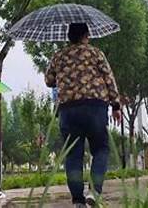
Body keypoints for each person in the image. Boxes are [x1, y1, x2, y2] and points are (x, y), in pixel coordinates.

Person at [45, 23, 122, 207]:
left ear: (69, 36)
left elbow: (49, 81)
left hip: (69, 109)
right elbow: (109, 79)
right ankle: (94, 192)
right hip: (95, 107)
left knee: (73, 155)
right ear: (86, 35)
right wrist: (116, 105)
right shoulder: (95, 53)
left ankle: (78, 201)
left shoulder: (59, 56)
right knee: (101, 149)